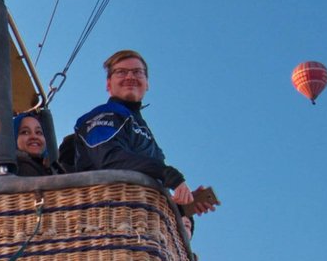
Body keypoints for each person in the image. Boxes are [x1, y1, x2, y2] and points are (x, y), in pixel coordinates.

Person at [59, 50, 216, 216]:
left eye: (137, 72)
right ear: (108, 84)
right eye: (121, 72)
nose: (130, 77)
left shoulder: (143, 131)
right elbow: (109, 159)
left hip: (138, 225)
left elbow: (144, 187)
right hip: (105, 217)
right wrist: (168, 174)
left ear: (147, 83)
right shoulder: (105, 115)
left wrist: (182, 206)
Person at [0, 111, 61, 178]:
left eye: (38, 132)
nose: (34, 137)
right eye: (25, 132)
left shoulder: (50, 168)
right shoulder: (18, 169)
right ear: (13, 138)